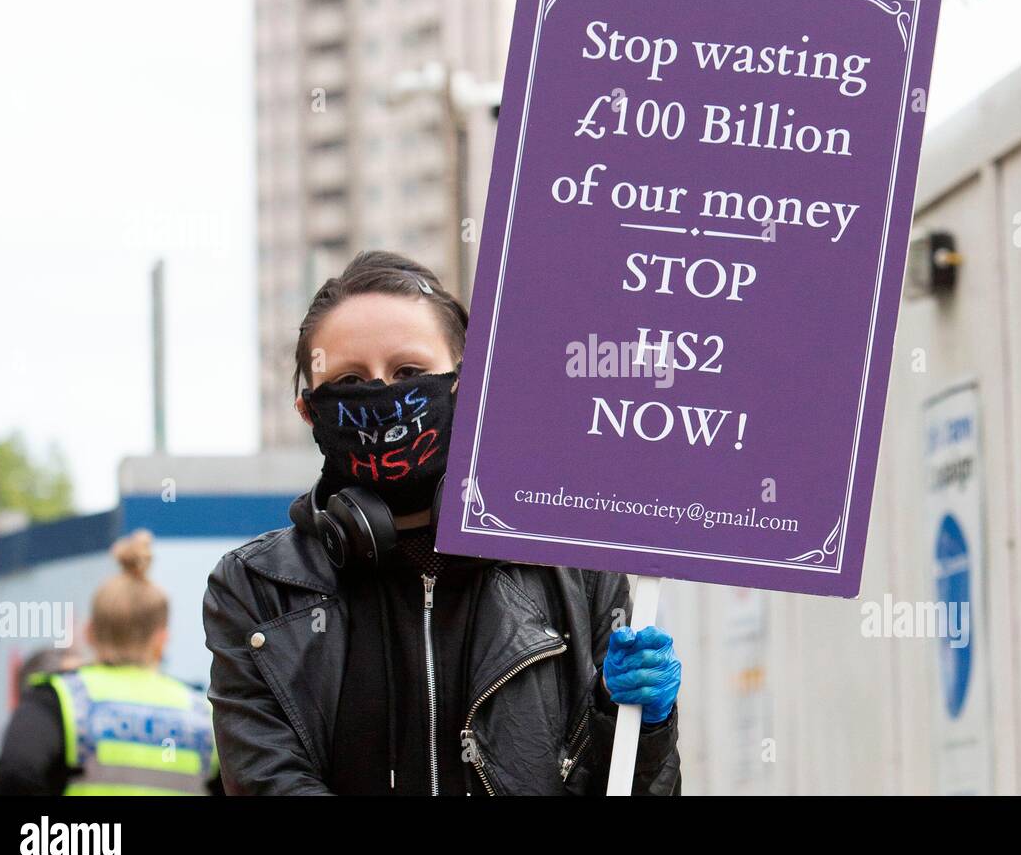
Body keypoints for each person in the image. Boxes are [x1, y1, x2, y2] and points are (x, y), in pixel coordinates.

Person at [202, 251, 682, 795]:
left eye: (408, 372)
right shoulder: (255, 589)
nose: (382, 393)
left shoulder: (576, 568)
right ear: (309, 409)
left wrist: (641, 730)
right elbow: (267, 783)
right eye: (351, 379)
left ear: (467, 385)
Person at [0, 530, 222, 795]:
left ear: (90, 633)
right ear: (161, 639)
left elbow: (15, 776)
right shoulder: (205, 716)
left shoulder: (57, 700)